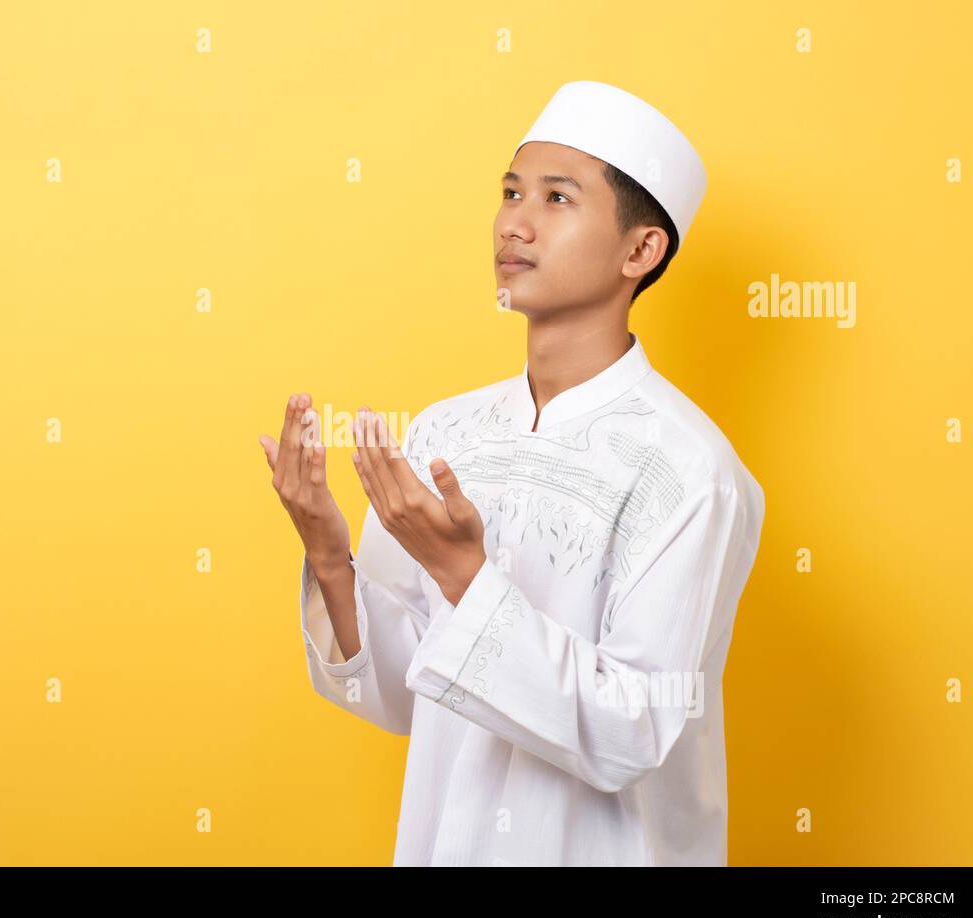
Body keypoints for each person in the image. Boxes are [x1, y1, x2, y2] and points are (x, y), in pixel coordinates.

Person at [258, 80, 765, 866]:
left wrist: (466, 575)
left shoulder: (688, 469)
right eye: (510, 192)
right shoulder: (445, 433)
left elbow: (634, 732)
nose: (514, 224)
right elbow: (401, 696)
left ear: (640, 250)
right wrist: (330, 555)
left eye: (558, 199)